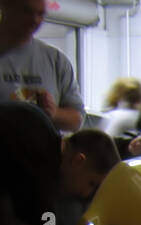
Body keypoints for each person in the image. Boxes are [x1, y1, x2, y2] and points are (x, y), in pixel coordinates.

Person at [0, 0, 84, 132]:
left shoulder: (56, 60)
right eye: (27, 11)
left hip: (42, 151)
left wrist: (53, 112)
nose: (35, 20)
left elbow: (76, 121)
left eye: (40, 14)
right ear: (5, 6)